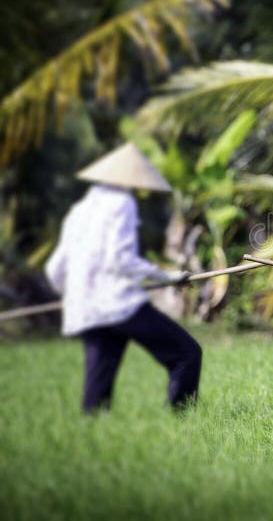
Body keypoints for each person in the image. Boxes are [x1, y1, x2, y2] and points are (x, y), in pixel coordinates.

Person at [45, 142, 202, 414]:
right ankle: (182, 422)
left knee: (97, 391)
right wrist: (167, 277)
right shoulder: (122, 203)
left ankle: (91, 438)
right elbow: (121, 260)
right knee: (186, 354)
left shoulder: (79, 210)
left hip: (86, 310)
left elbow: (55, 268)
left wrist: (71, 295)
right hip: (118, 306)